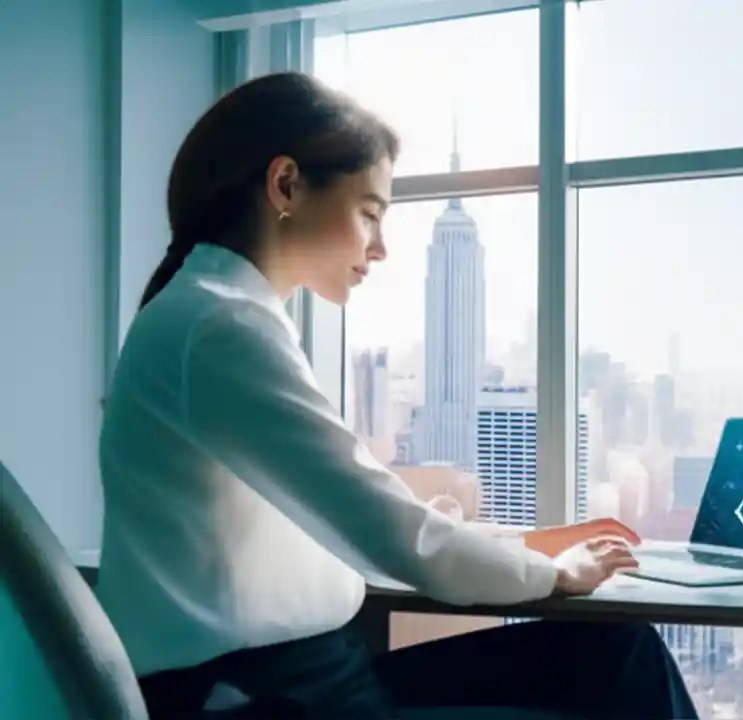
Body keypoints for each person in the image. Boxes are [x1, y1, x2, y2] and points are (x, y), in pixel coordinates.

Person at [94, 72, 698, 719]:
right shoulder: (221, 327)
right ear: (286, 186)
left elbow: (349, 520)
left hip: (306, 679)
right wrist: (554, 573)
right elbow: (393, 534)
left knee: (615, 655)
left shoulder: (214, 313)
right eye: (369, 214)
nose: (379, 249)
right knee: (614, 666)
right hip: (260, 698)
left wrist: (532, 545)